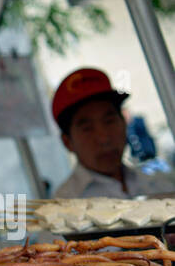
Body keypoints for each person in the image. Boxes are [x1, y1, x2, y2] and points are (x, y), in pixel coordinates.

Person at [51, 68, 175, 199]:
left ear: (124, 122)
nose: (104, 138)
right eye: (87, 128)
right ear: (67, 142)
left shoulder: (161, 186)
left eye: (109, 121)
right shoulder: (65, 206)